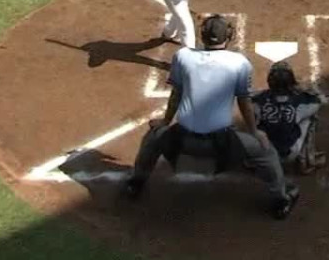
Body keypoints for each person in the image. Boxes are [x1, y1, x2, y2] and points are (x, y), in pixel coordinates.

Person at [125, 15, 301, 220]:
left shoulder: (183, 56)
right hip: (222, 146)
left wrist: (164, 123)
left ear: (203, 36)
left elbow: (176, 95)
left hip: (182, 141)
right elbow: (244, 101)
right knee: (266, 152)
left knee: (151, 140)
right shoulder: (239, 63)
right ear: (228, 36)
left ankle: (135, 183)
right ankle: (281, 201)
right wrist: (255, 132)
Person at [252, 62, 326, 174]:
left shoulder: (258, 100)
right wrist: (303, 87)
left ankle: (253, 160)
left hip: (266, 153)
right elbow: (320, 100)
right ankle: (306, 161)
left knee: (253, 119)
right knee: (310, 119)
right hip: (290, 154)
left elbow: (248, 98)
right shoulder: (301, 101)